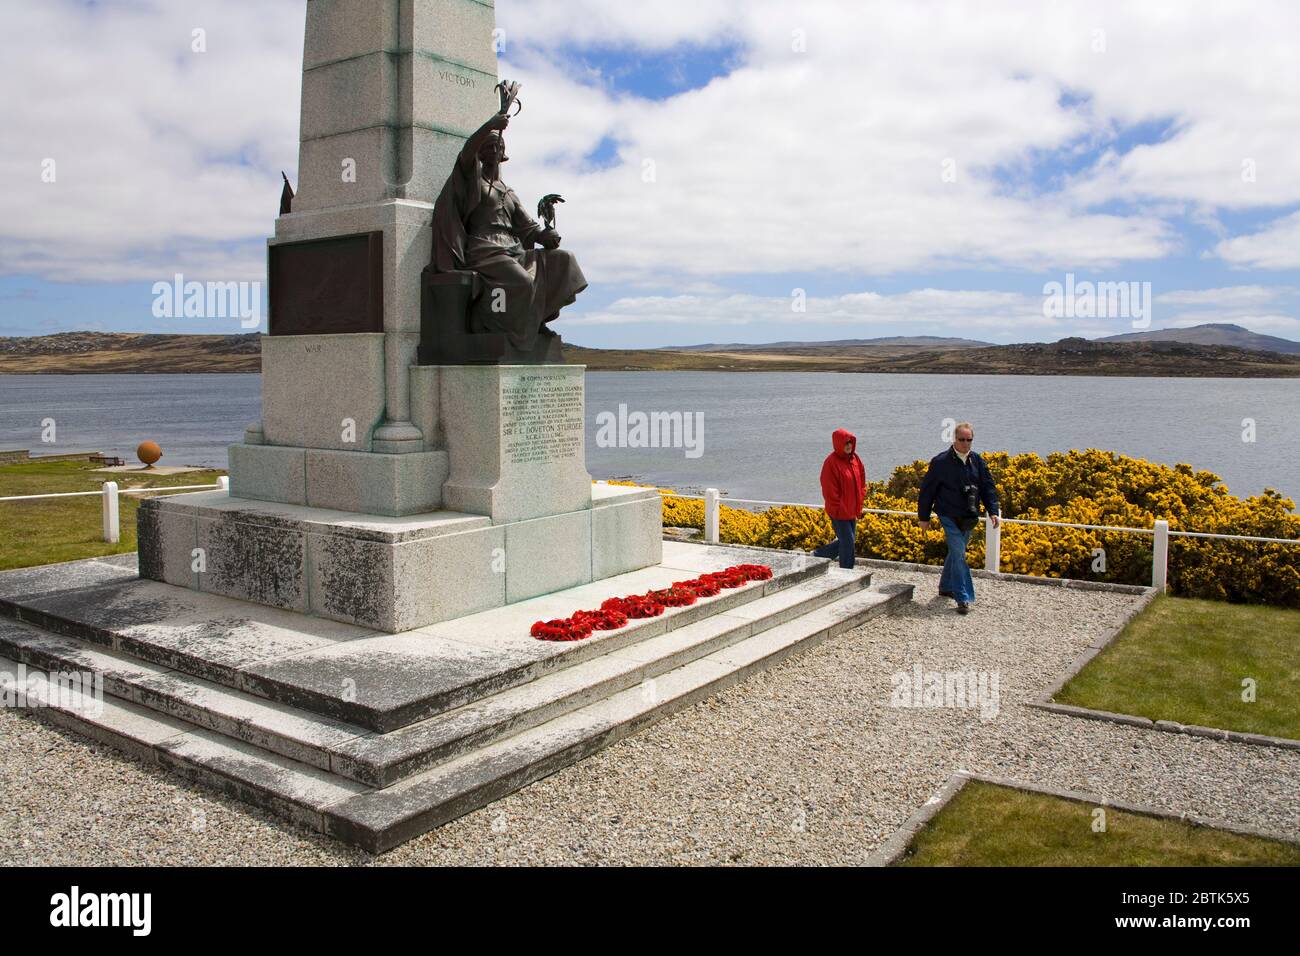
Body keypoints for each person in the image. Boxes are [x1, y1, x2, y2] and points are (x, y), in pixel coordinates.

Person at [429, 106, 587, 353]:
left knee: (564, 261)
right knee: (523, 281)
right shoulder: (473, 182)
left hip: (512, 249)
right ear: (481, 154)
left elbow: (528, 227)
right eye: (489, 147)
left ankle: (536, 319)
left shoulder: (509, 192)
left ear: (503, 153)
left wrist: (545, 236)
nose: (494, 150)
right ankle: (493, 324)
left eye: (498, 147)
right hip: (484, 248)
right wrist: (490, 125)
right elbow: (465, 154)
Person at [917, 421, 1000, 614]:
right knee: (959, 554)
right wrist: (924, 517)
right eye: (961, 439)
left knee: (955, 553)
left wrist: (993, 511)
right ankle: (963, 597)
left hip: (969, 516)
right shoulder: (940, 462)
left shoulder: (977, 461)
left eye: (969, 440)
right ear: (954, 439)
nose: (965, 443)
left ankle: (945, 587)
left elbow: (988, 488)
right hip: (948, 515)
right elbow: (927, 491)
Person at [813, 428, 867, 569]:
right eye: (845, 443)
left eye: (850, 442)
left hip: (852, 510)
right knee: (848, 542)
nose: (849, 445)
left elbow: (862, 479)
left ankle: (818, 556)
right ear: (838, 444)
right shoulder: (830, 463)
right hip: (838, 512)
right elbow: (829, 488)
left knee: (848, 541)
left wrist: (861, 497)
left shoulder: (855, 459)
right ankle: (847, 572)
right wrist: (837, 508)